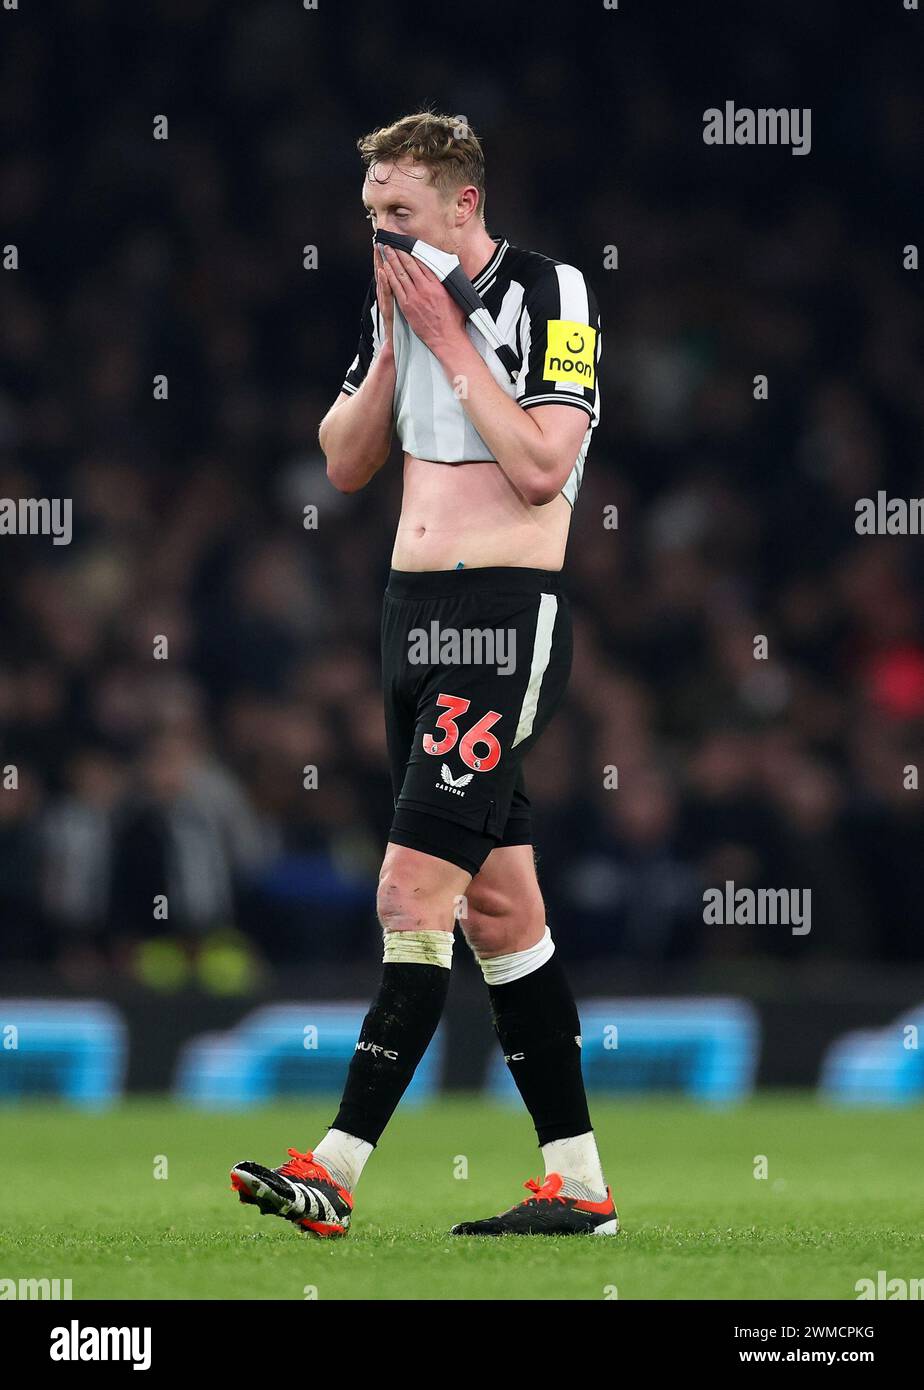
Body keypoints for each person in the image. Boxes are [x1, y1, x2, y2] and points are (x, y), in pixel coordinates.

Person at [231, 111, 617, 1237]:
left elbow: (546, 465)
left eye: (400, 214)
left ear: (465, 205)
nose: (383, 236)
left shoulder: (554, 294)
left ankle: (335, 1169)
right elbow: (346, 463)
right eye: (370, 219)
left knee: (411, 893)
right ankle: (580, 1187)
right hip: (409, 619)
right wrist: (400, 345)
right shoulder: (396, 303)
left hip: (499, 624)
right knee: (498, 909)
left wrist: (449, 338)